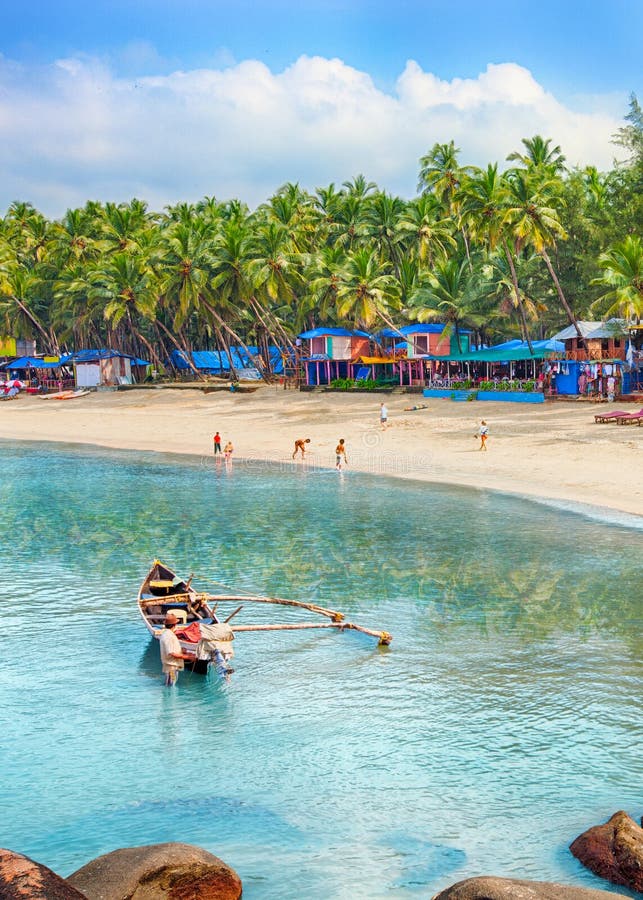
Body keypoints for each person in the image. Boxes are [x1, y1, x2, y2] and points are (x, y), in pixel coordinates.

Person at [159, 613, 195, 686]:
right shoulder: (168, 636)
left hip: (172, 666)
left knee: (170, 685)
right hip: (171, 668)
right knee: (170, 686)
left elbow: (172, 650)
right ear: (175, 625)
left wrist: (182, 651)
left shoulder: (167, 634)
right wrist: (188, 657)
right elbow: (172, 653)